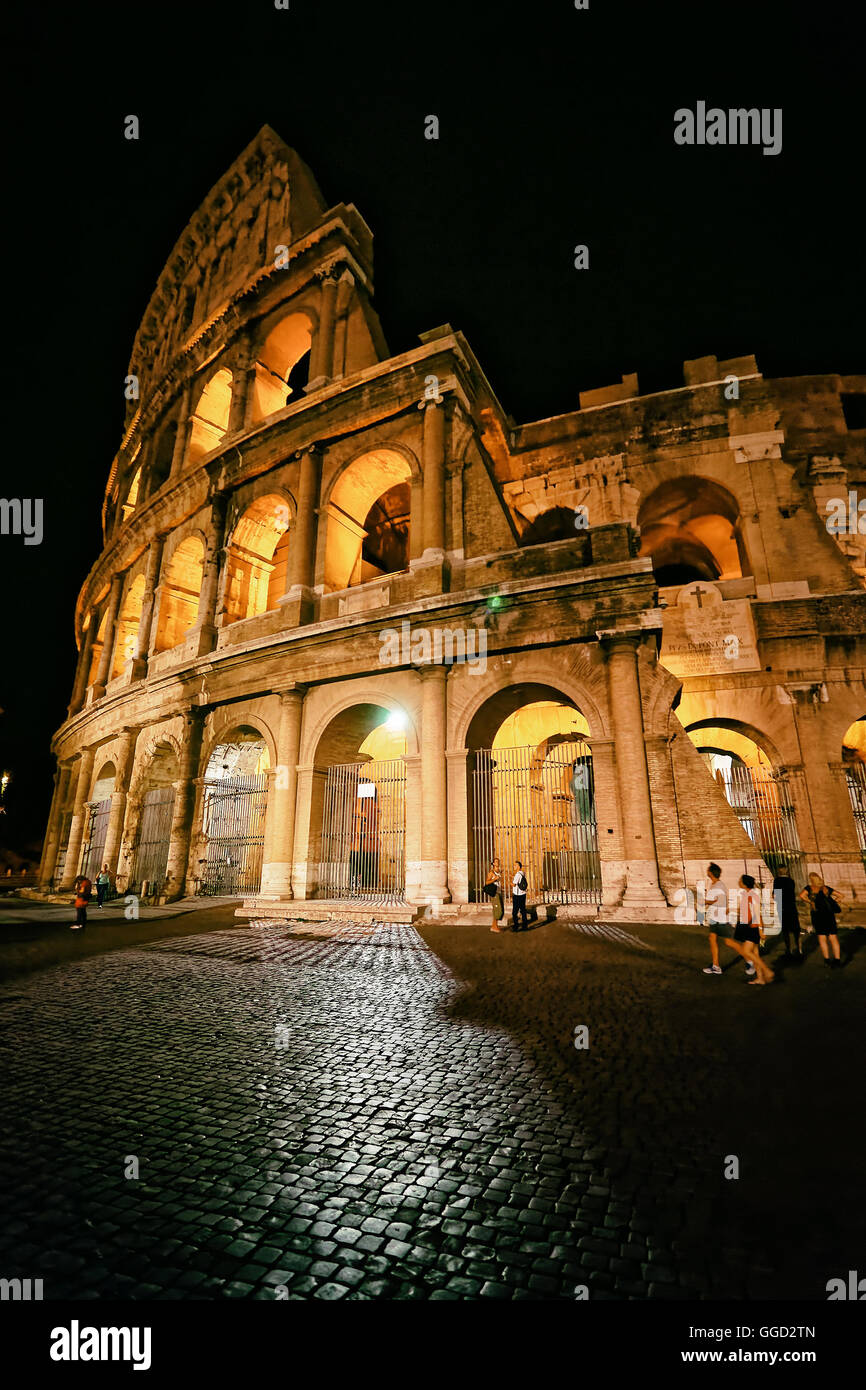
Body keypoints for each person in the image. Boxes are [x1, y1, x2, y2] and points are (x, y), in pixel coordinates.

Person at [734, 873, 774, 985]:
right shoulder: (746, 894)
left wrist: (761, 930)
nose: (739, 882)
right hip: (748, 926)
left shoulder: (753, 895)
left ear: (745, 884)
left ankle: (767, 971)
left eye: (740, 880)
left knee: (746, 951)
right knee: (755, 954)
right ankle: (760, 978)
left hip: (753, 927)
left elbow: (757, 913)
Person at [799, 872, 842, 967]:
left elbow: (801, 896)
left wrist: (810, 902)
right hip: (829, 915)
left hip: (818, 915)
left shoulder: (809, 888)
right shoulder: (826, 888)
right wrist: (833, 903)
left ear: (811, 880)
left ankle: (827, 960)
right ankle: (837, 960)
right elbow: (841, 895)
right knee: (833, 938)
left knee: (822, 938)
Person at [773, 870, 801, 959]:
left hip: (782, 906)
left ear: (779, 872)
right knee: (795, 928)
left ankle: (788, 948)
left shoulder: (777, 881)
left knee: (785, 929)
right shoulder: (791, 881)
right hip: (792, 906)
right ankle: (798, 947)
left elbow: (776, 894)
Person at [486, 858, 506, 933]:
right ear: (493, 863)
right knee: (498, 910)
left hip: (499, 892)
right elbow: (487, 882)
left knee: (500, 910)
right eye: (496, 862)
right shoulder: (491, 873)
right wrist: (494, 879)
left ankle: (494, 926)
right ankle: (494, 926)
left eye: (498, 861)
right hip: (494, 893)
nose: (498, 863)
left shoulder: (498, 872)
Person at [511, 861, 529, 931]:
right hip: (523, 894)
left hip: (517, 895)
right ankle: (525, 926)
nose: (514, 866)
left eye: (515, 865)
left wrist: (509, 882)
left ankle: (516, 926)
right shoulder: (522, 873)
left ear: (518, 866)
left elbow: (514, 884)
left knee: (514, 912)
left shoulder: (517, 875)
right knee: (523, 910)